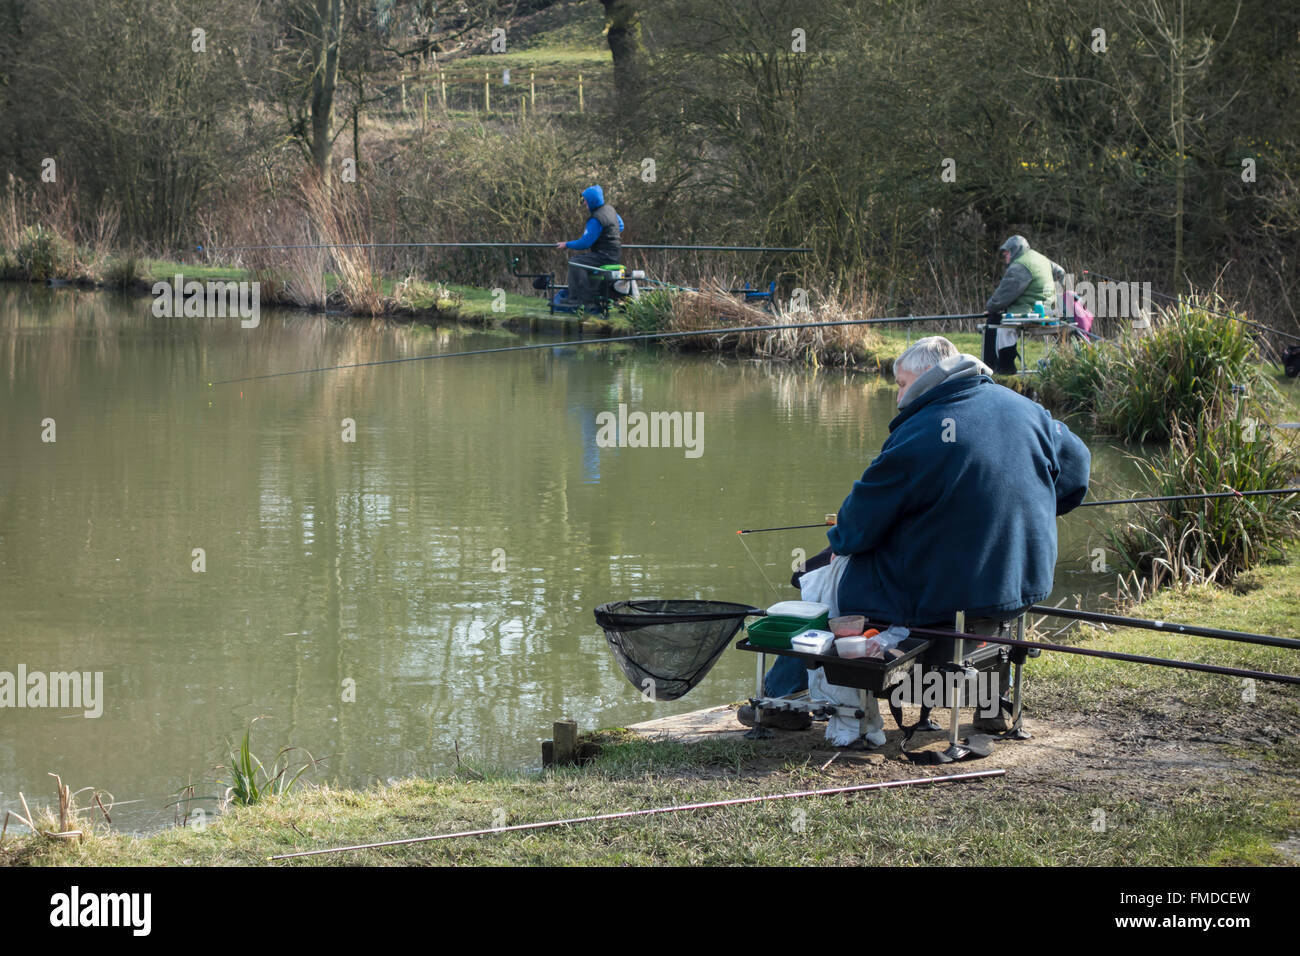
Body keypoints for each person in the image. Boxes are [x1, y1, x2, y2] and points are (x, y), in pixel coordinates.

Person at [742, 336, 1090, 730]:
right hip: (1023, 580)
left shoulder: (924, 428)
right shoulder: (1029, 411)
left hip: (945, 592)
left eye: (902, 384)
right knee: (968, 587)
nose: (898, 397)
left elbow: (856, 526)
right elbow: (1077, 472)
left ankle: (776, 699)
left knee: (821, 582)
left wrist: (837, 546)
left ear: (929, 377)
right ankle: (992, 703)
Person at [983, 235, 1066, 373]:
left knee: (995, 322)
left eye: (1007, 252)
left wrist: (991, 308)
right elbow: (1060, 272)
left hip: (1029, 311)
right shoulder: (1041, 258)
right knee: (998, 318)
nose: (1005, 256)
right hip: (1049, 310)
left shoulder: (1019, 267)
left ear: (1016, 250)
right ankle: (1001, 367)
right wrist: (1059, 291)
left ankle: (1003, 367)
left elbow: (1002, 297)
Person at [554, 185, 623, 308]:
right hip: (615, 253)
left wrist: (566, 244)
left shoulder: (596, 219)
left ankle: (579, 299)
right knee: (581, 262)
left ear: (592, 200)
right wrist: (609, 235)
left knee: (575, 263)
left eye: (585, 200)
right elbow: (620, 226)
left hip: (603, 255)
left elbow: (585, 243)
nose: (584, 203)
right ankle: (588, 295)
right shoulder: (610, 209)